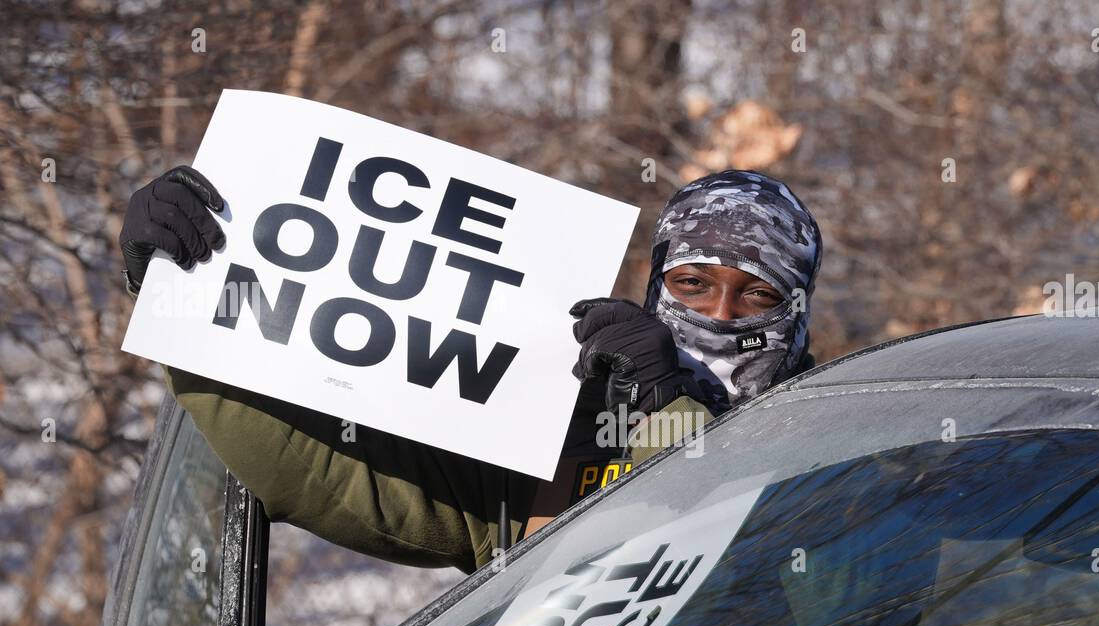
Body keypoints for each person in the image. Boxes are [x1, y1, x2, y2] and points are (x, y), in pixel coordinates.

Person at [118, 167, 823, 573]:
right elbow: (313, 471)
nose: (723, 315)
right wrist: (194, 290)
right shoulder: (558, 430)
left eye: (756, 292)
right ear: (655, 283)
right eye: (693, 284)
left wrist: (667, 413)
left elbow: (735, 582)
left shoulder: (845, 444)